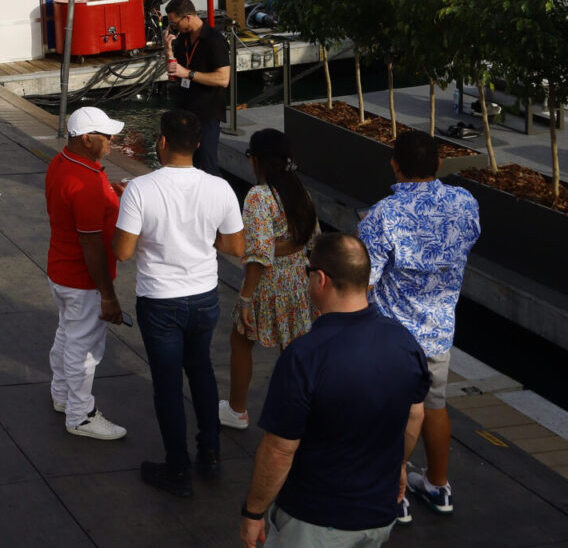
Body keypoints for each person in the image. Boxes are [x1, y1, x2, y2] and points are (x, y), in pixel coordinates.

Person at [239, 234, 430, 548]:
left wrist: (253, 511)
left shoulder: (305, 355)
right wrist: (398, 466)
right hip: (379, 516)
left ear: (320, 279)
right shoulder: (404, 343)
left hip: (315, 518)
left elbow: (279, 449)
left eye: (307, 272)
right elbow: (414, 417)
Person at [113, 109, 245, 498]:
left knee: (168, 385)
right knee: (201, 370)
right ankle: (211, 452)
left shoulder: (141, 189)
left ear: (163, 142)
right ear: (199, 143)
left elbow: (123, 252)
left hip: (159, 300)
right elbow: (236, 247)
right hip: (204, 295)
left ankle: (178, 468)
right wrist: (202, 238)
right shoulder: (218, 187)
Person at [358, 130, 480, 519]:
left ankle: (395, 497)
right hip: (440, 330)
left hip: (392, 338)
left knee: (393, 413)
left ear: (394, 165)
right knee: (435, 406)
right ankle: (438, 485)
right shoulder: (465, 203)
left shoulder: (382, 215)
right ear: (439, 164)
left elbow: (367, 281)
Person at [221, 128, 317, 432]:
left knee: (241, 341)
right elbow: (312, 239)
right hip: (298, 284)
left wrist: (245, 296)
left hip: (266, 286)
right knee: (293, 353)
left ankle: (237, 410)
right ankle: (300, 414)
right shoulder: (300, 191)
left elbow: (260, 253)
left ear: (256, 160)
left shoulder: (258, 196)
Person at [45, 106, 129, 441]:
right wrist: (108, 296)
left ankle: (62, 396)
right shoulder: (87, 183)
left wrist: (111, 194)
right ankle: (80, 416)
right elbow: (92, 246)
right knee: (86, 350)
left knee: (67, 335)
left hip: (61, 272)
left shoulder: (62, 164)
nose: (112, 139)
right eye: (105, 135)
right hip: (83, 282)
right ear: (87, 138)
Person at [163, 0, 231, 175]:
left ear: (187, 18)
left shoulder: (214, 40)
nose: (172, 26)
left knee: (206, 164)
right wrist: (168, 49)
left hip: (206, 114)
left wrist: (188, 74)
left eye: (174, 22)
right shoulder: (182, 39)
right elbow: (173, 74)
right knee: (183, 164)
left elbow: (223, 79)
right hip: (184, 111)